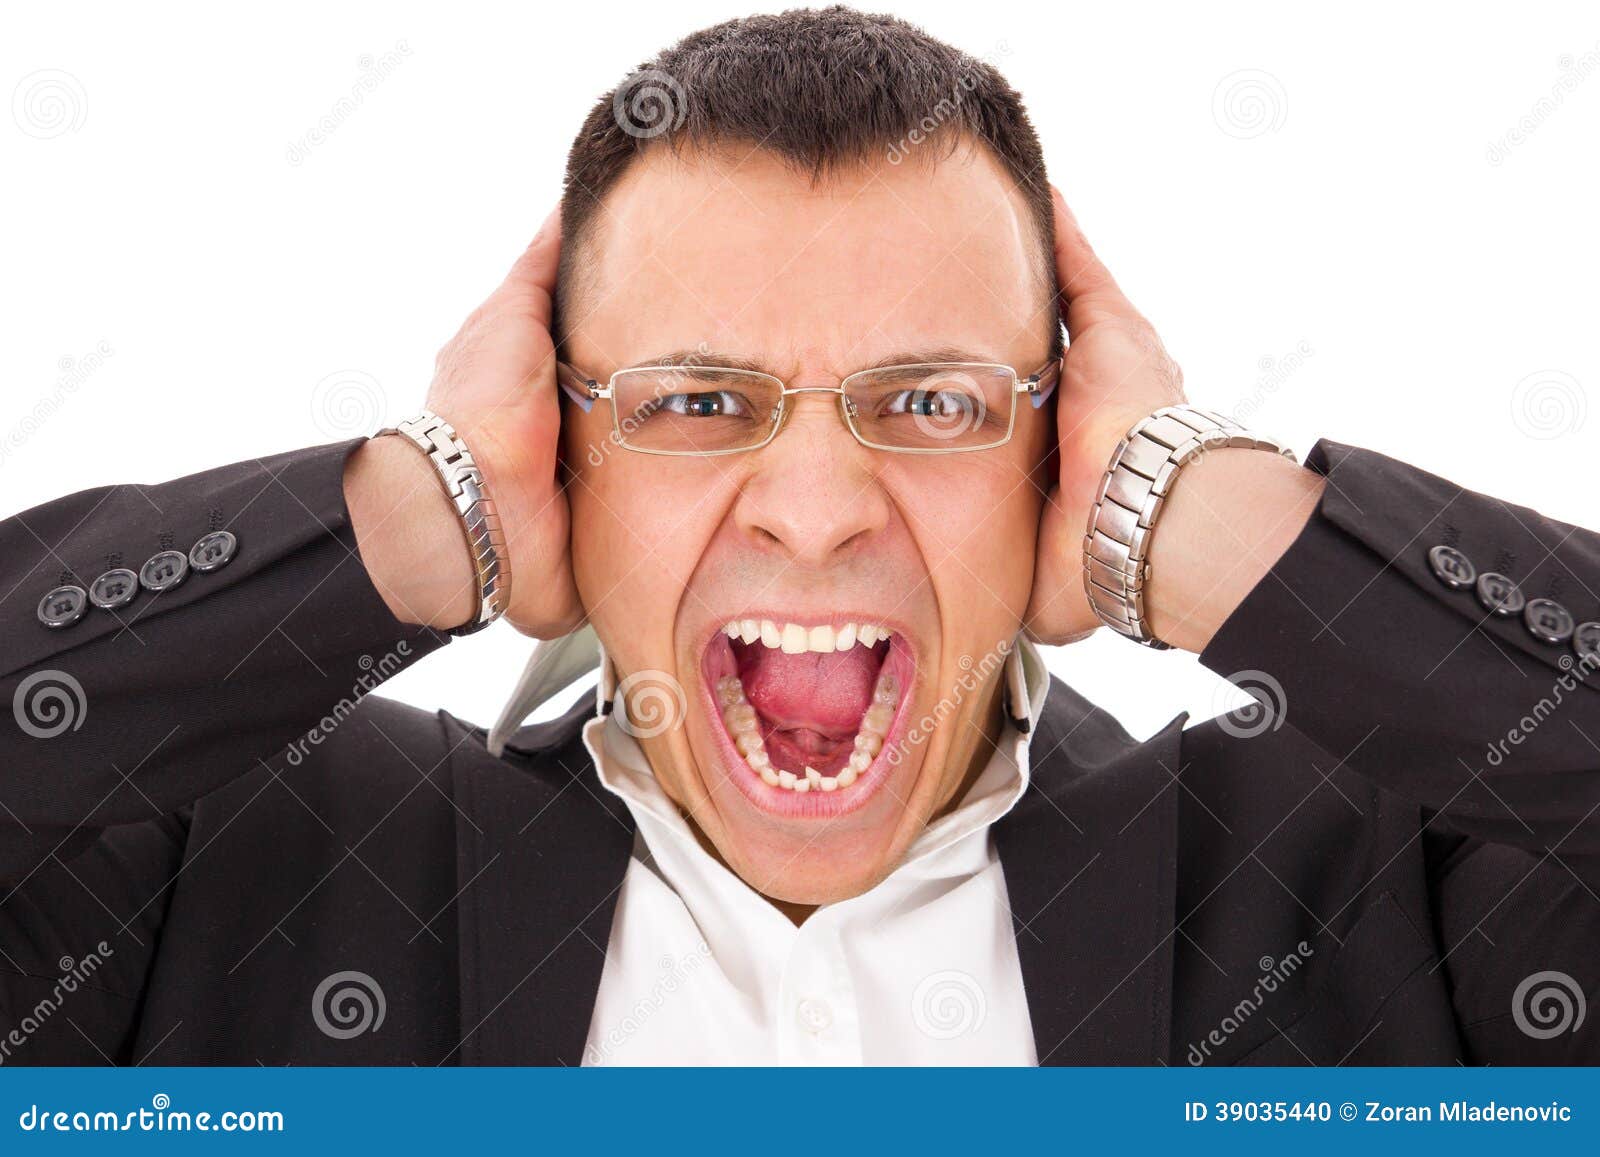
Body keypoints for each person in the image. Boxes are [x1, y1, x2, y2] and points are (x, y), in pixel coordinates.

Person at [2, 7, 1597, 1066]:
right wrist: (411, 522)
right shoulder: (232, 868)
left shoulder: (1376, 882)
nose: (819, 509)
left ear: (1057, 449)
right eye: (696, 403)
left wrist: (1187, 509)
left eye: (935, 403)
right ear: (563, 449)